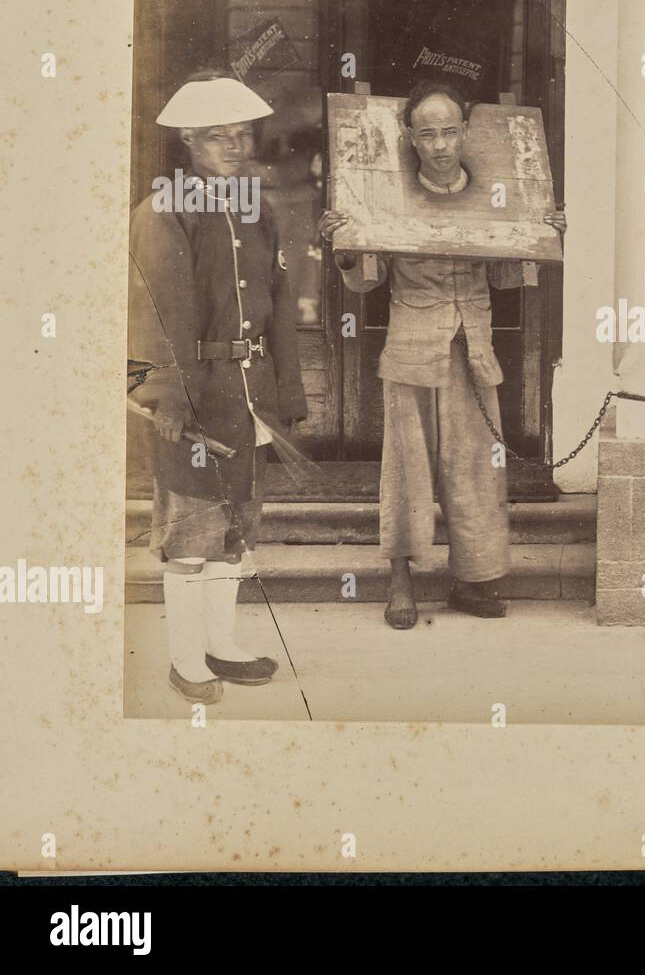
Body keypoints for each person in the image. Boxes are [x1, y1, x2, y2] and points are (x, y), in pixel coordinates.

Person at [318, 81, 565, 629]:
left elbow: (504, 276)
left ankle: (471, 580)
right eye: (426, 133)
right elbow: (365, 281)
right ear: (409, 138)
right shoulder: (384, 192)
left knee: (476, 467)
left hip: (473, 348)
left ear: (467, 133)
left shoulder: (493, 191)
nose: (439, 144)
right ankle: (401, 581)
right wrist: (347, 245)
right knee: (407, 468)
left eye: (449, 131)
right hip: (412, 345)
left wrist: (536, 235)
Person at [128, 70, 309, 704]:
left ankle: (221, 645)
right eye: (216, 139)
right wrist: (168, 399)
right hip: (195, 399)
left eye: (241, 136)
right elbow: (156, 314)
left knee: (235, 531)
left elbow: (280, 302)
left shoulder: (257, 210)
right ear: (188, 145)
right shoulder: (163, 210)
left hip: (249, 394)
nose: (234, 148)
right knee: (191, 532)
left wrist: (289, 392)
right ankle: (185, 659)